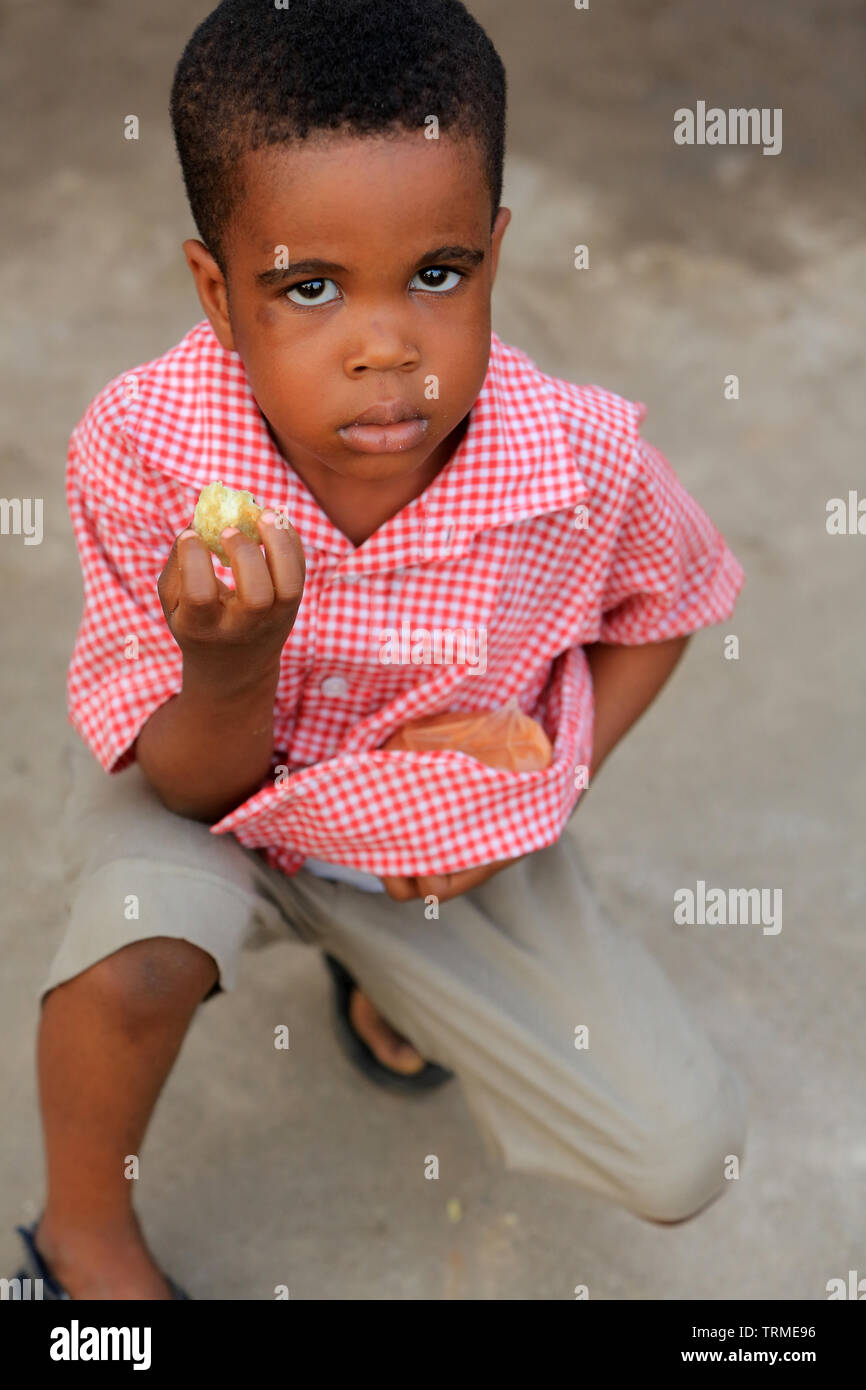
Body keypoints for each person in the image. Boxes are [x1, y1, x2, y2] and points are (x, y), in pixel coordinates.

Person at [13, 0, 748, 1300]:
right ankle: (83, 1230)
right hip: (217, 787)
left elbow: (670, 602)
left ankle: (388, 981)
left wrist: (536, 789)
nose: (385, 344)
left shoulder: (577, 458)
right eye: (308, 287)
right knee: (135, 957)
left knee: (679, 1155)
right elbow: (186, 785)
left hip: (442, 826)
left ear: (494, 253)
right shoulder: (150, 451)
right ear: (217, 292)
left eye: (437, 272)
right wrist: (234, 661)